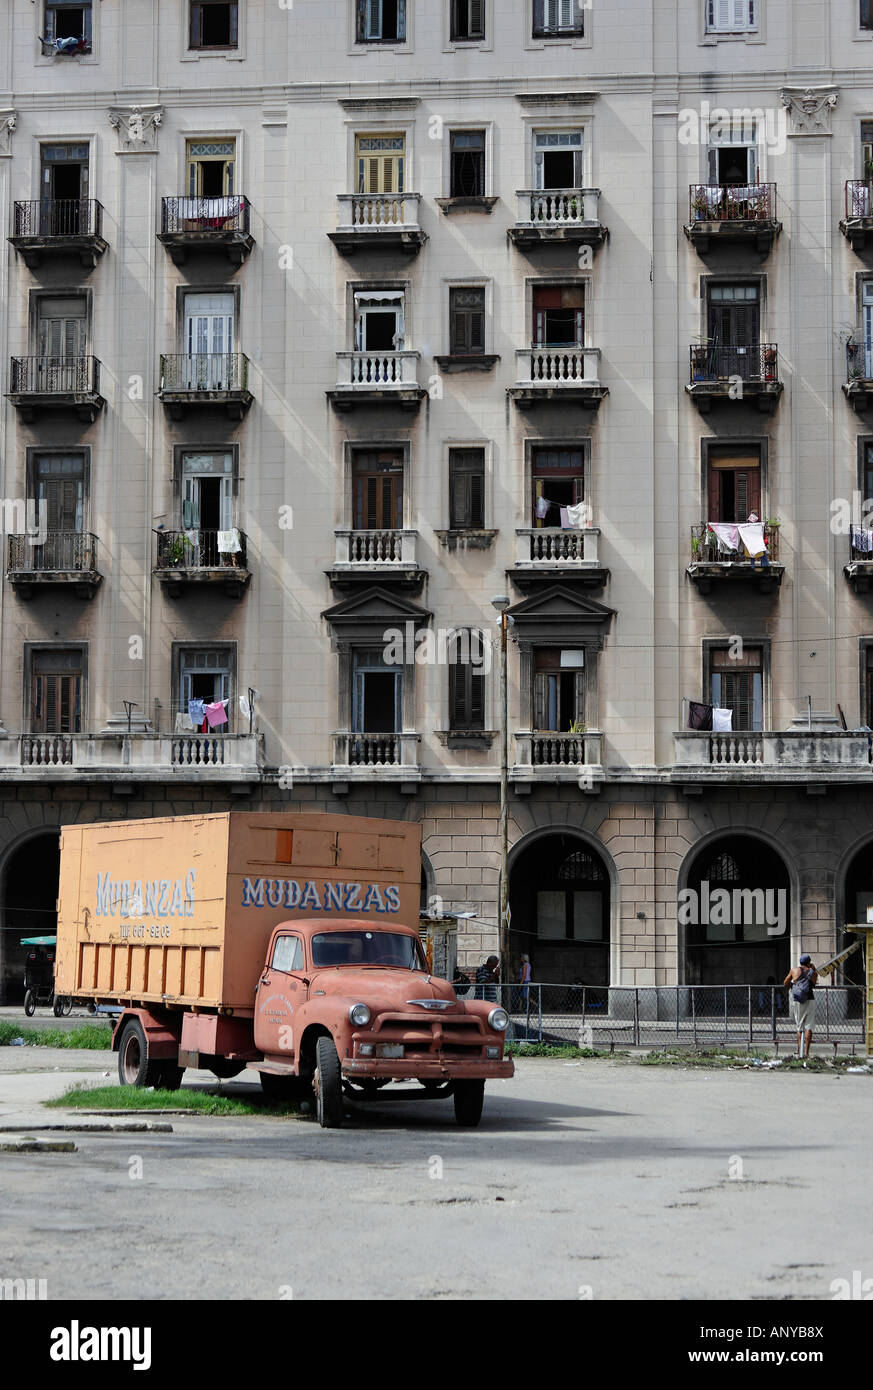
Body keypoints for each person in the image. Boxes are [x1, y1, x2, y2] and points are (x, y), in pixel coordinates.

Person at [783, 953, 818, 1058]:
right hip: (810, 999)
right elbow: (814, 983)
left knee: (799, 1026)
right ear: (809, 962)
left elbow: (785, 982)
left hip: (797, 1000)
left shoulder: (794, 970)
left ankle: (799, 1053)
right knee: (809, 1026)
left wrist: (792, 986)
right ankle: (806, 1053)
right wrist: (813, 969)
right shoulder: (812, 973)